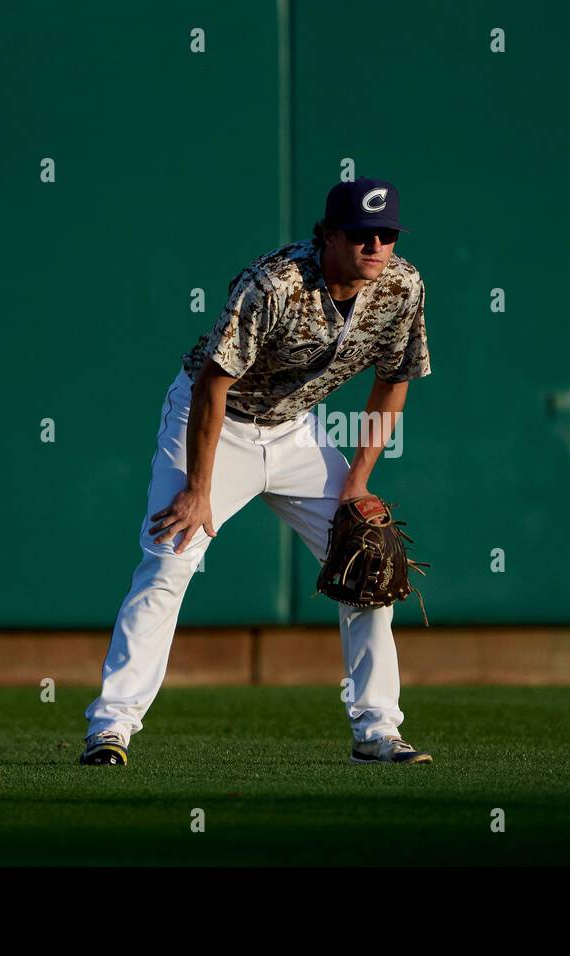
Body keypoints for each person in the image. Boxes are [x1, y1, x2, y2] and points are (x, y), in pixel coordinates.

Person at [81, 178, 432, 766]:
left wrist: (358, 482)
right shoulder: (274, 283)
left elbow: (393, 380)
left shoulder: (401, 286)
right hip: (214, 422)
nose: (376, 245)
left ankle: (377, 732)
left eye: (387, 234)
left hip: (294, 430)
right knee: (169, 559)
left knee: (366, 562)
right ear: (328, 236)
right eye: (362, 234)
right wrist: (198, 489)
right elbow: (212, 384)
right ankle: (110, 727)